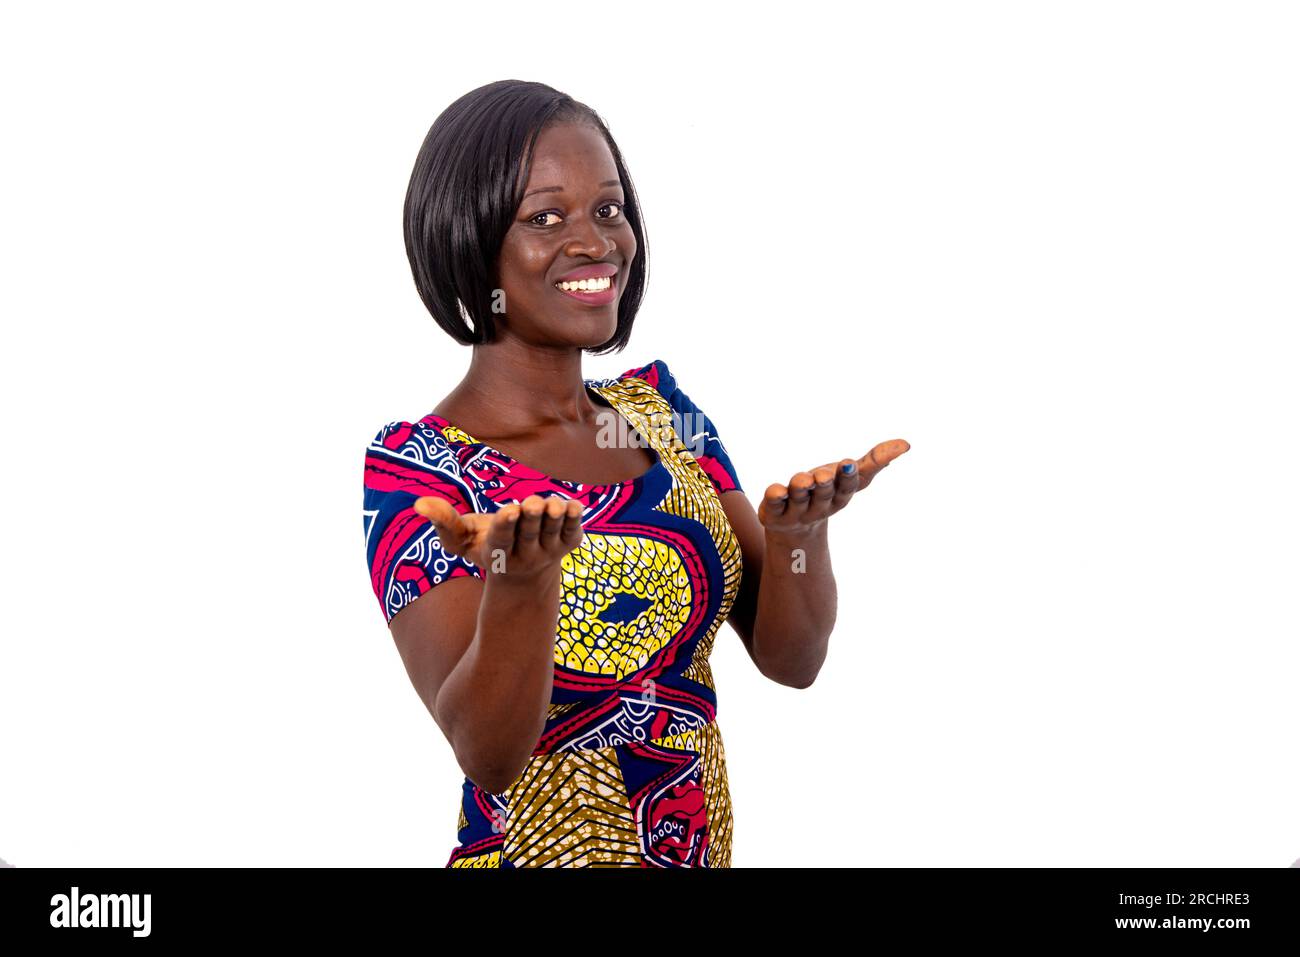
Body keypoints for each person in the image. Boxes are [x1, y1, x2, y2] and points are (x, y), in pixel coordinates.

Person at [361, 80, 909, 867]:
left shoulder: (655, 410)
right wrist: (522, 582)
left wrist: (800, 537)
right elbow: (487, 752)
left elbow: (793, 661)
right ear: (470, 240)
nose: (595, 242)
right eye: (545, 217)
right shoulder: (422, 468)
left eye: (608, 209)